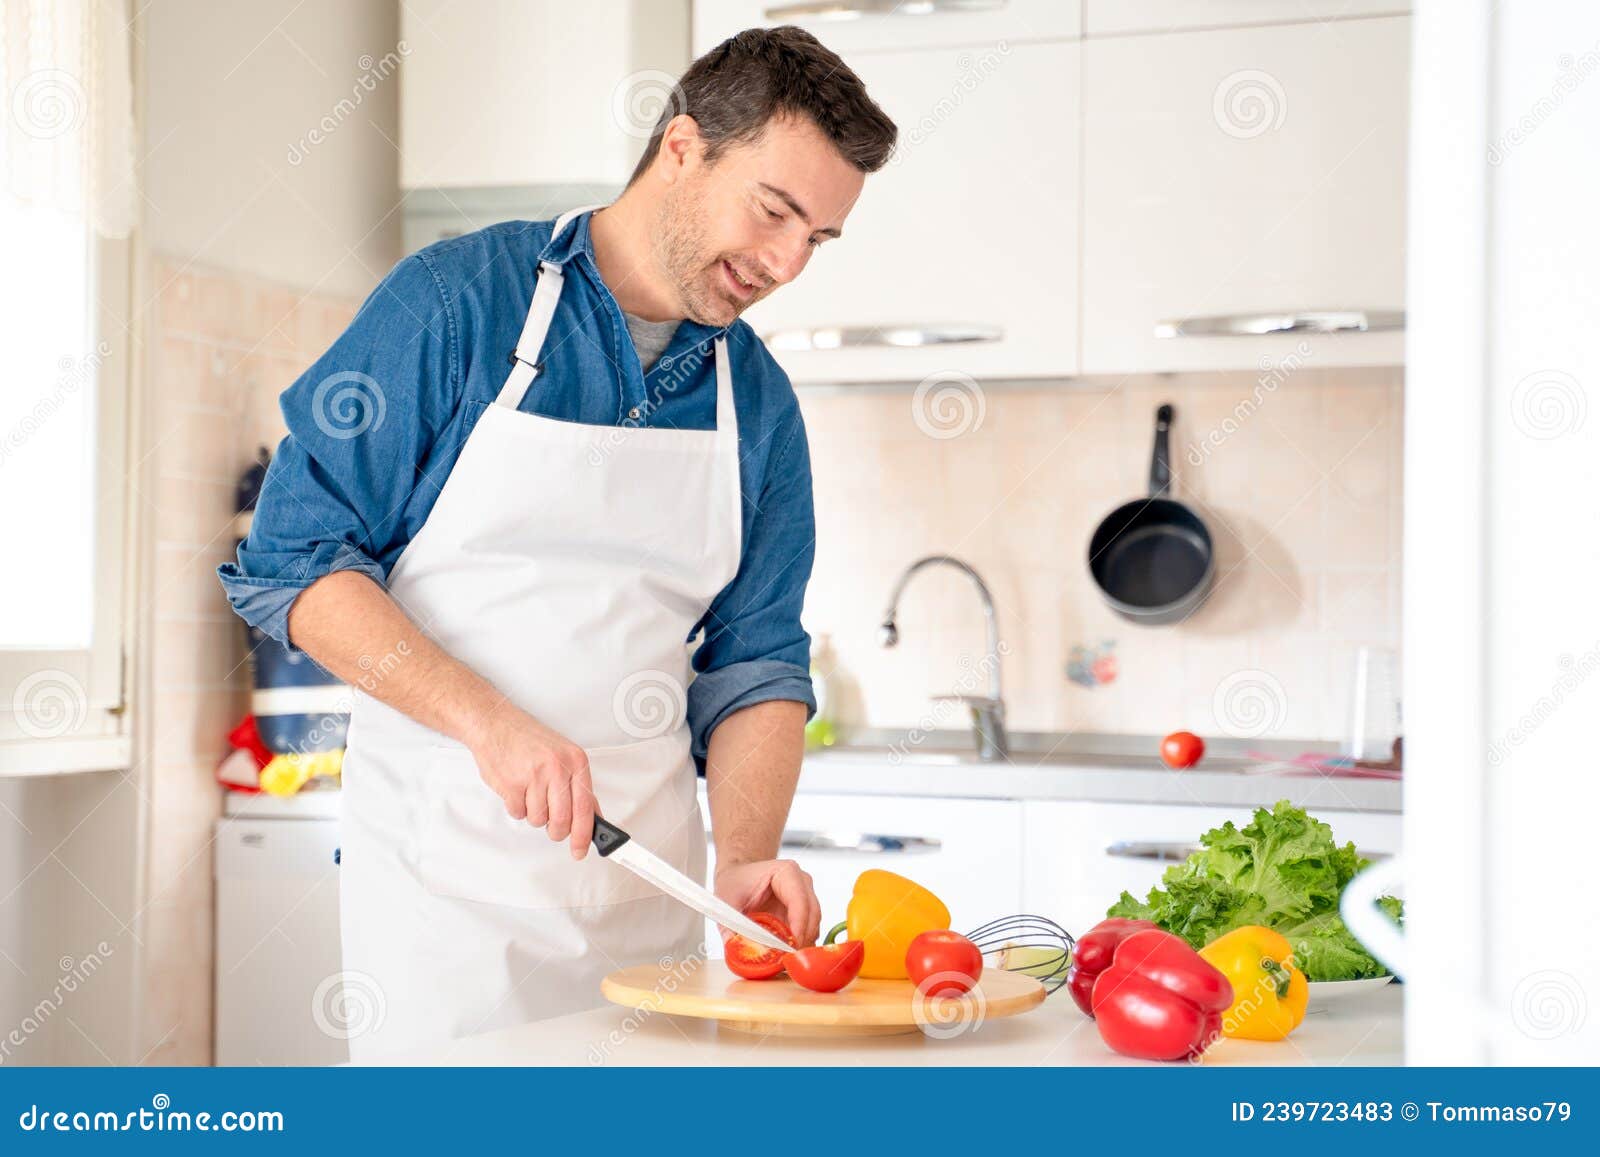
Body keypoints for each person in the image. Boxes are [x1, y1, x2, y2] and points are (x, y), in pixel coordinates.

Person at [218, 26, 897, 1060]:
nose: (787, 263)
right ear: (681, 148)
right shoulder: (454, 303)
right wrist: (489, 723)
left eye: (820, 240)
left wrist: (748, 855)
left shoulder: (752, 399)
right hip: (446, 898)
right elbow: (297, 563)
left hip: (651, 905)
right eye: (775, 212)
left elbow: (755, 656)